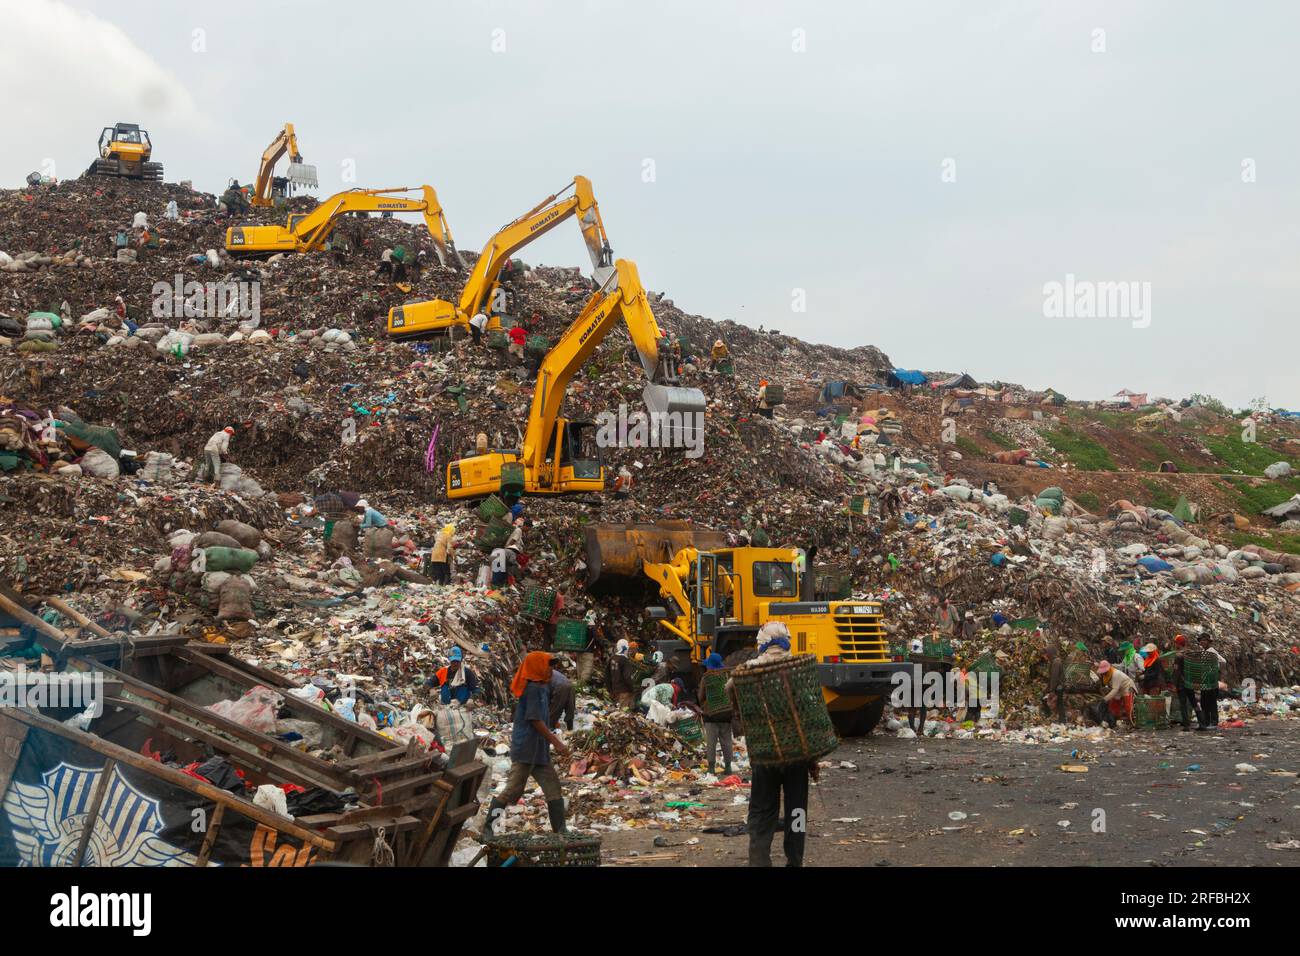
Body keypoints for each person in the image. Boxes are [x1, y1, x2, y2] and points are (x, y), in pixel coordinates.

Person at [729, 622, 818, 867]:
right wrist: (812, 760)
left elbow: (730, 690)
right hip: (796, 754)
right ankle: (795, 860)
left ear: (762, 642)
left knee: (761, 810)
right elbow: (810, 714)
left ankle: (759, 861)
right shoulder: (798, 669)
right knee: (797, 810)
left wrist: (741, 711)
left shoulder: (748, 669)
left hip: (764, 753)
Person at [483, 651, 570, 837]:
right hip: (526, 749)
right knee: (512, 790)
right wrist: (557, 743)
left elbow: (543, 716)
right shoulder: (533, 689)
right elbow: (535, 720)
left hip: (539, 750)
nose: (551, 669)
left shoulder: (542, 687)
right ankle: (489, 828)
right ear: (538, 667)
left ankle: (560, 830)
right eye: (549, 665)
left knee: (553, 788)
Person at [698, 653, 734, 775]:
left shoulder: (706, 678)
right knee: (727, 741)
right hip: (726, 714)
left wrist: (705, 704)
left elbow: (700, 696)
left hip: (711, 715)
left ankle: (711, 768)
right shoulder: (727, 676)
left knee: (711, 742)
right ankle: (728, 767)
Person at [1193, 632, 1227, 731]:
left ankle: (1214, 722)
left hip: (1211, 681)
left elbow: (1223, 661)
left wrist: (1216, 671)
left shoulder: (1212, 651)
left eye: (1205, 640)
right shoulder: (1204, 651)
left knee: (1211, 702)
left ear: (1209, 642)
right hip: (1205, 681)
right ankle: (1207, 722)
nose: (1202, 642)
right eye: (1201, 640)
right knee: (1204, 702)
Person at [1090, 660, 1135, 728]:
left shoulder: (1116, 674)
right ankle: (1115, 721)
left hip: (1127, 687)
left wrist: (1105, 699)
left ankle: (1132, 722)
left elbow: (1114, 690)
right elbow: (1110, 687)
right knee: (1114, 704)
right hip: (1119, 688)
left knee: (1128, 706)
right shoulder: (1107, 675)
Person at [1171, 634, 1201, 731]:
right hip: (1191, 683)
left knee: (1183, 704)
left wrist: (1174, 685)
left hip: (1182, 684)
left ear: (1178, 644)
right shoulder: (1191, 653)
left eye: (1176, 643)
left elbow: (1176, 671)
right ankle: (1202, 723)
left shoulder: (1178, 656)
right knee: (1194, 703)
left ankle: (1186, 725)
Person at [548, 659, 576, 732]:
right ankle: (570, 729)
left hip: (560, 687)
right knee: (570, 707)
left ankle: (550, 730)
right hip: (570, 685)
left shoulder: (543, 673)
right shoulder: (552, 672)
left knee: (554, 710)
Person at [608, 638, 637, 709]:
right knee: (622, 713)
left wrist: (610, 689)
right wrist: (632, 688)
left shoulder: (612, 658)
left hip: (615, 690)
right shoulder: (624, 660)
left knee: (616, 711)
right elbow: (627, 677)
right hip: (624, 691)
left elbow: (607, 675)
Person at [1041, 644, 1066, 722]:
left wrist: (1051, 690)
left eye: (1045, 654)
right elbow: (1051, 678)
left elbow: (1054, 677)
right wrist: (1047, 688)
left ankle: (1061, 720)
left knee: (1059, 703)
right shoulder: (1053, 661)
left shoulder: (1056, 662)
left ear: (1049, 653)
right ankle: (1059, 719)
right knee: (1058, 703)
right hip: (1057, 686)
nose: (1044, 656)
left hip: (1058, 687)